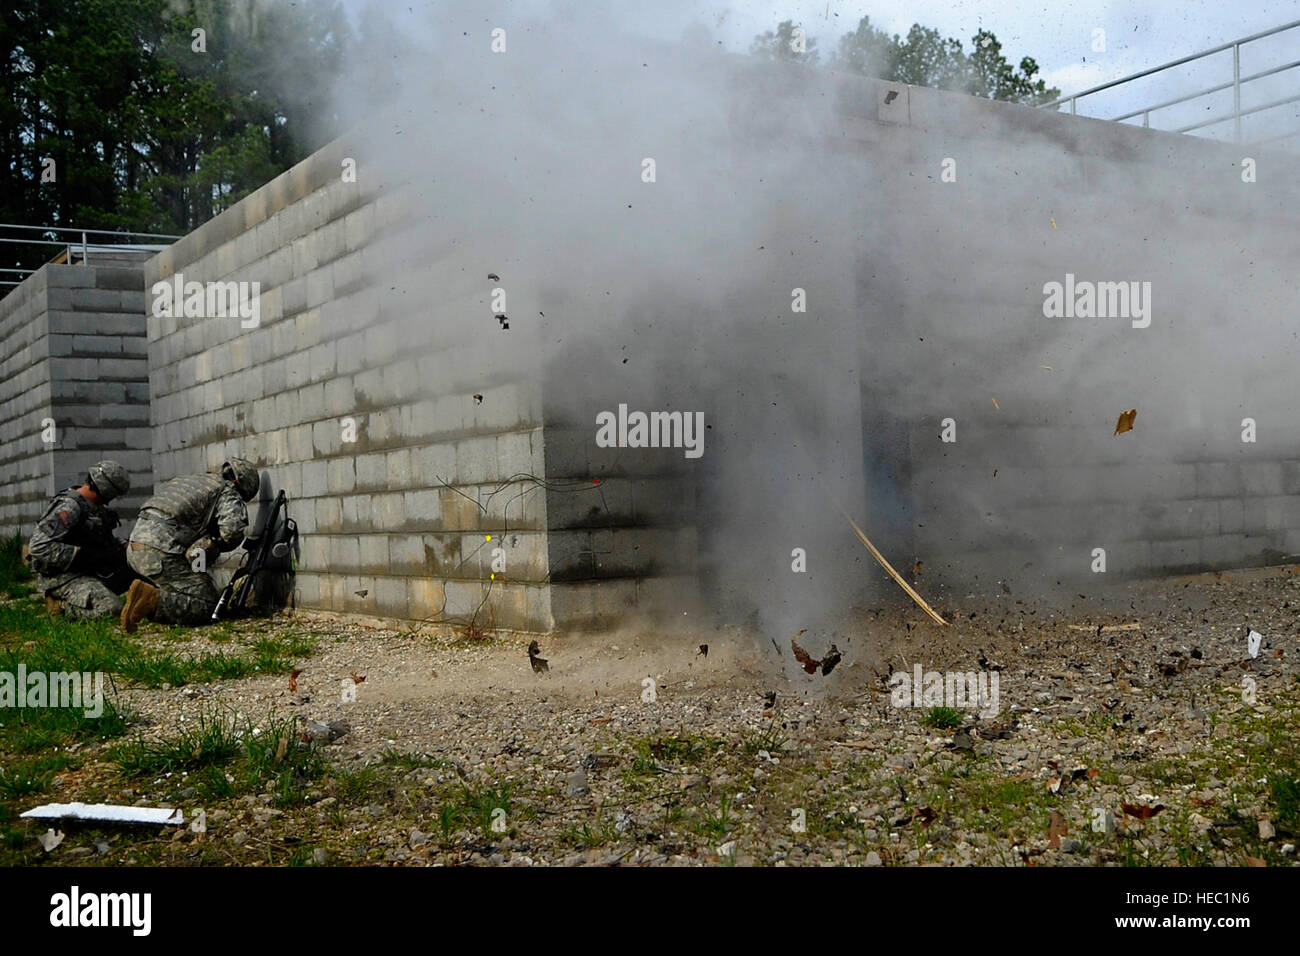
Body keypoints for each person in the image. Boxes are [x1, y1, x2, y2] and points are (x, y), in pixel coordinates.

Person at [120, 458, 260, 633]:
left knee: (194, 578)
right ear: (240, 484)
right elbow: (232, 531)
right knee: (207, 603)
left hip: (135, 549)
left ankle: (146, 595)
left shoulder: (190, 480)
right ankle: (150, 599)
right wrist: (213, 544)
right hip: (159, 554)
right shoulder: (228, 491)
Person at [25, 460, 134, 619]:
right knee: (111, 608)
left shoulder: (94, 507)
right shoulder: (69, 507)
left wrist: (125, 546)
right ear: (107, 489)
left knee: (139, 566)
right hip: (63, 577)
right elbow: (39, 547)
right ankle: (60, 606)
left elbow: (100, 540)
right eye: (115, 493)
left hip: (90, 570)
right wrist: (81, 554)